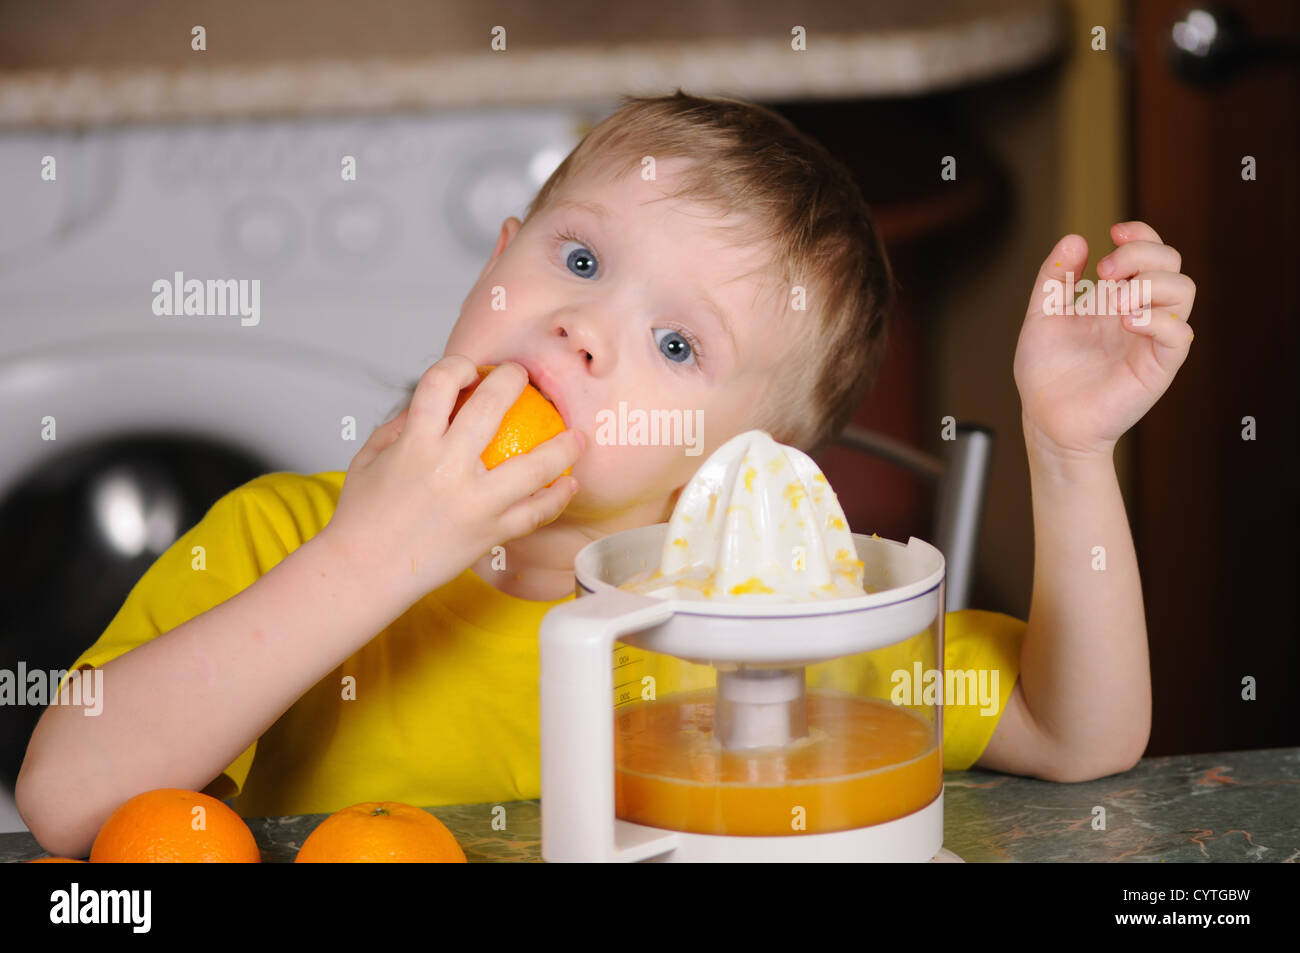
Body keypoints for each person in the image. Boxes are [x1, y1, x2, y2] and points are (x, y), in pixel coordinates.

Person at [16, 91, 1196, 859]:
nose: (582, 328)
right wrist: (370, 556)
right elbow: (64, 800)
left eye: (677, 344)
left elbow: (1074, 732)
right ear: (493, 264)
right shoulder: (278, 532)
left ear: (735, 471)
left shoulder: (766, 626)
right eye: (577, 258)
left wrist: (1069, 450)